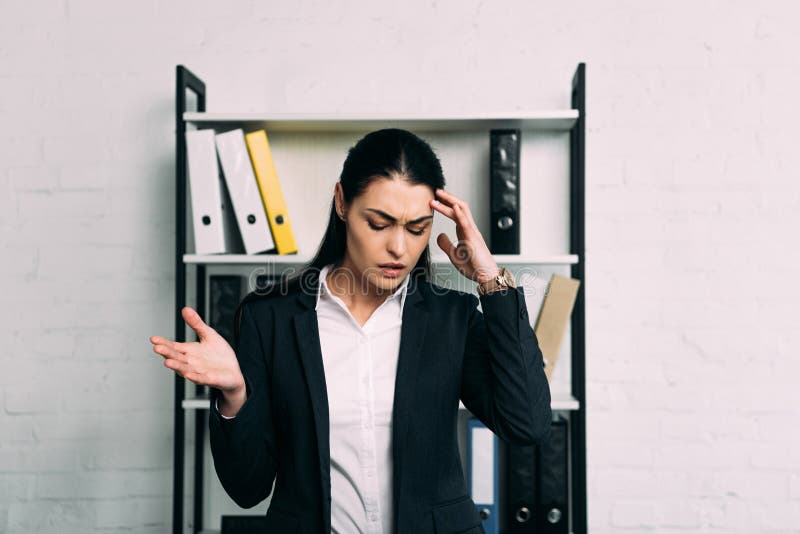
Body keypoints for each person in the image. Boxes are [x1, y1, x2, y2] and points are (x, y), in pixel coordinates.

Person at [149, 128, 552, 534]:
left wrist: (490, 279)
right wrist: (235, 395)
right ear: (342, 202)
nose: (399, 247)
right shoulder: (269, 318)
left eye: (417, 228)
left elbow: (528, 425)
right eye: (379, 223)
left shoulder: (453, 318)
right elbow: (247, 488)